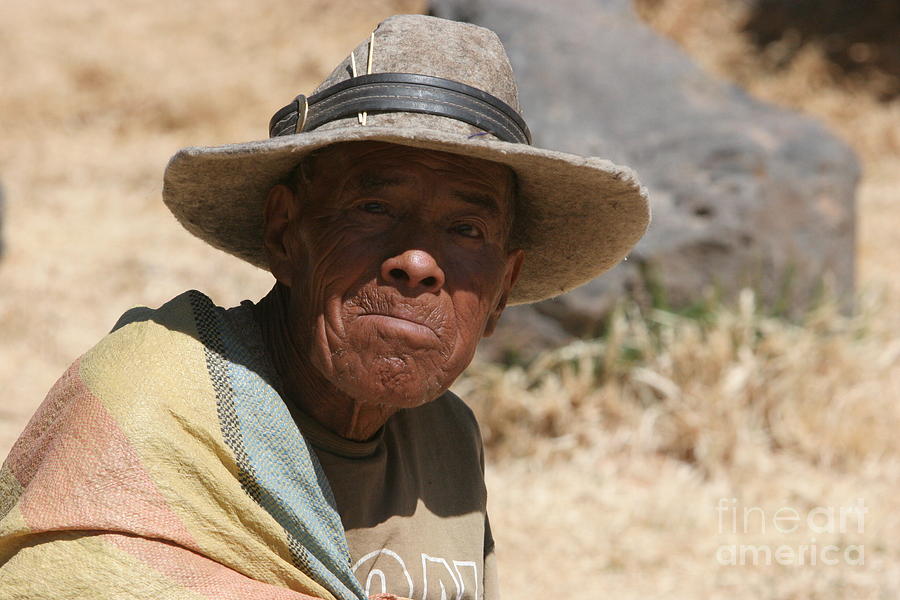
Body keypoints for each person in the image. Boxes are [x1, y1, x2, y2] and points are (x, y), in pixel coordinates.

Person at [0, 14, 648, 600]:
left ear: (503, 288)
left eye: (465, 230)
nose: (417, 262)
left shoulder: (446, 440)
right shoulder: (150, 396)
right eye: (375, 208)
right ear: (286, 232)